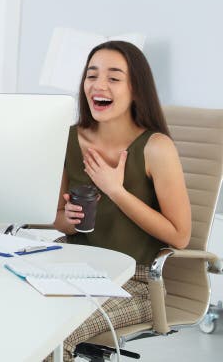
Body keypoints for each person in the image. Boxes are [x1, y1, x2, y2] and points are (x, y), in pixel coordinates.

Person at [51, 40, 191, 361]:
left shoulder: (156, 148)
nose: (99, 85)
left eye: (114, 78)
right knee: (15, 321)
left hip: (134, 283)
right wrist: (65, 218)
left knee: (56, 336)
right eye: (92, 75)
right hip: (70, 270)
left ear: (136, 90)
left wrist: (116, 191)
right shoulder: (69, 138)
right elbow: (54, 215)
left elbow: (180, 236)